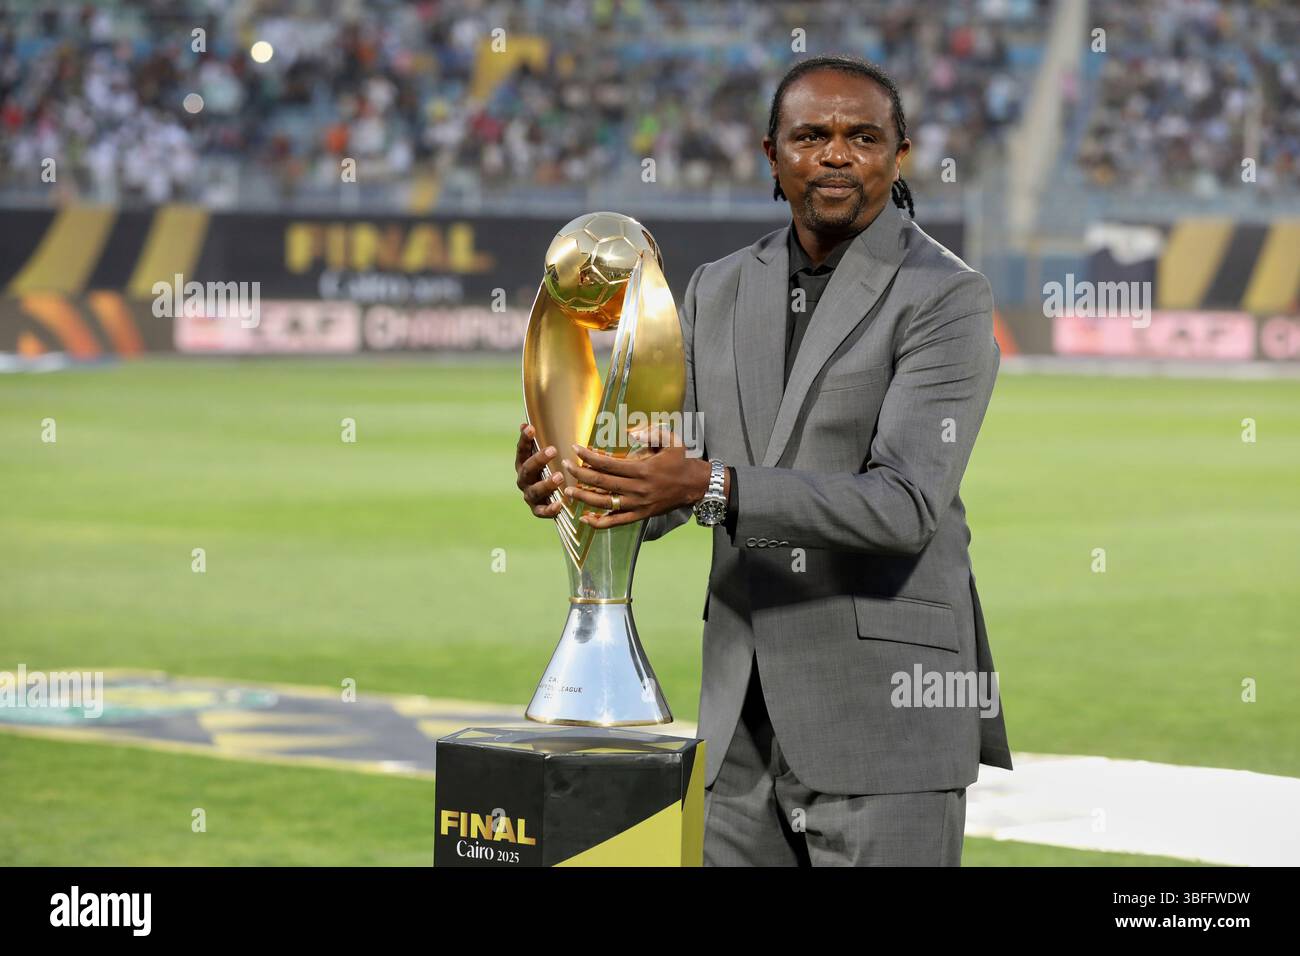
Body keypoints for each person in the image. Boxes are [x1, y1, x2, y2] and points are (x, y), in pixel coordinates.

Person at [514, 55, 1011, 866]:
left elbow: (904, 505)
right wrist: (583, 481)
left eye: (863, 136)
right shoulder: (716, 288)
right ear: (771, 154)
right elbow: (672, 468)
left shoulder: (948, 295)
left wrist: (709, 484)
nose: (837, 154)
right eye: (811, 135)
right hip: (737, 716)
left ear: (900, 155)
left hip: (882, 719)